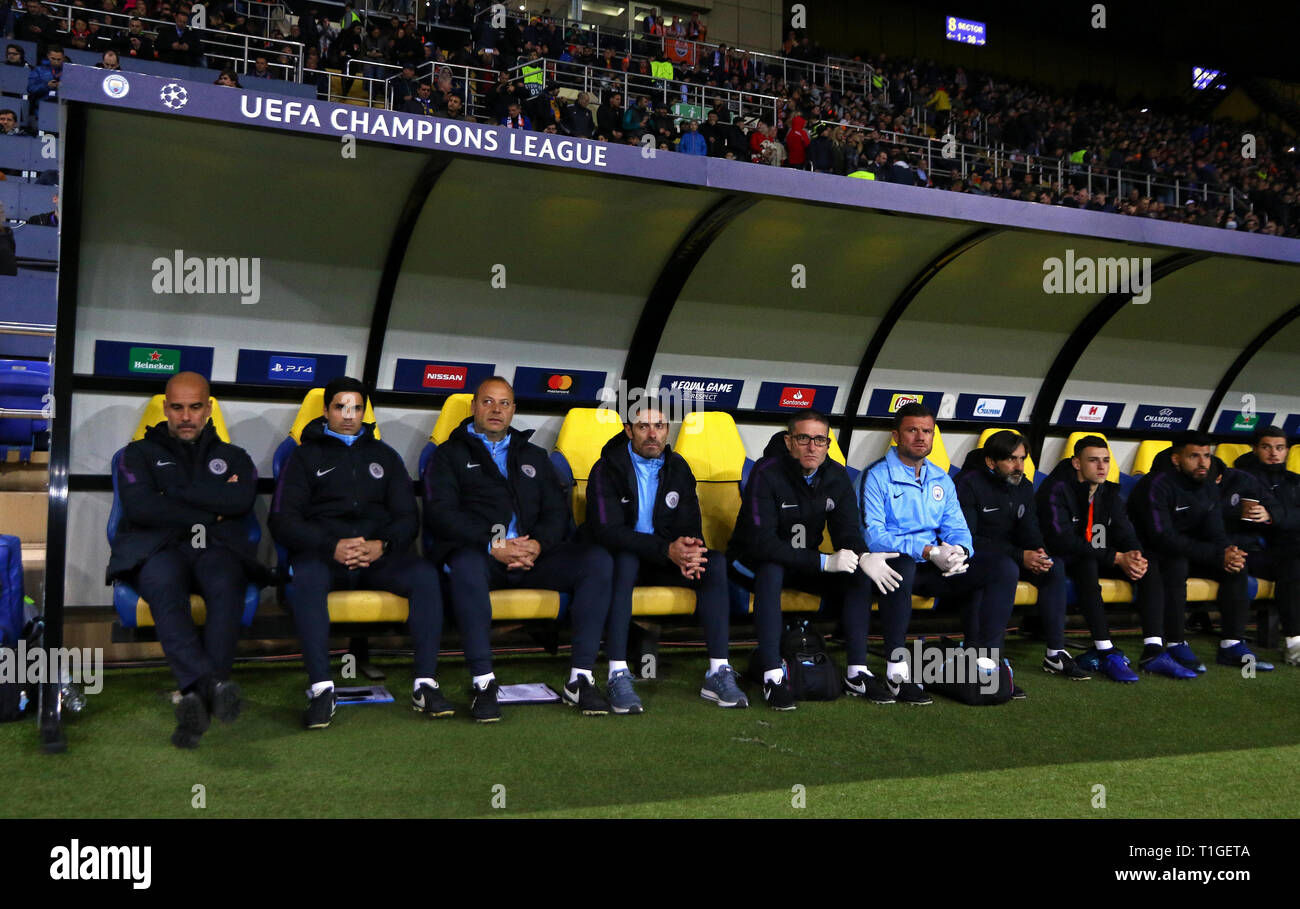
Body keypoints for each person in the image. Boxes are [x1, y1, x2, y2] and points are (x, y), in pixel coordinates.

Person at [424, 377, 614, 718]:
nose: (496, 410)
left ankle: (580, 679)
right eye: (488, 402)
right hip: (482, 554)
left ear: (514, 410)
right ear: (474, 407)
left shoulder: (534, 456)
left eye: (504, 403)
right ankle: (483, 682)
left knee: (597, 560)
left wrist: (538, 545)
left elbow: (557, 512)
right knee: (464, 566)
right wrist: (493, 543)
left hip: (532, 556)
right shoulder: (448, 455)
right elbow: (442, 514)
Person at [269, 377, 448, 729]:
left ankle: (424, 684)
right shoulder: (304, 456)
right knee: (305, 577)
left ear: (365, 412)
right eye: (340, 407)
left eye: (356, 408)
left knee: (425, 575)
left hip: (377, 556)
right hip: (324, 556)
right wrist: (330, 545)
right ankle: (322, 688)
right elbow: (283, 520)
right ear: (326, 411)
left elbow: (407, 518)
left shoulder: (385, 456)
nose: (348, 415)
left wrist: (381, 544)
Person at [106, 373, 260, 748]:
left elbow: (240, 501)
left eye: (194, 407)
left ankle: (196, 696)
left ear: (208, 409)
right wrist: (209, 507)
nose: (186, 416)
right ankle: (211, 685)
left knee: (227, 583)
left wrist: (171, 494)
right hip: (158, 548)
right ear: (166, 408)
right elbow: (141, 507)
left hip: (214, 547)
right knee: (164, 584)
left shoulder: (234, 457)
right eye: (177, 407)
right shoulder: (136, 454)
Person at [728, 410, 900, 710]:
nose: (812, 447)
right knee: (772, 569)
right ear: (789, 441)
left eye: (820, 440)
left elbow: (846, 531)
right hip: (749, 562)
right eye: (804, 438)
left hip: (804, 564)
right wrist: (823, 562)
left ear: (827, 444)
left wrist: (863, 556)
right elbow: (763, 544)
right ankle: (772, 675)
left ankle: (857, 672)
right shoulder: (766, 472)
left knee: (859, 574)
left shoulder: (835, 475)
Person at [584, 406, 747, 712]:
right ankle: (617, 672)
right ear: (629, 431)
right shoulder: (607, 468)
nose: (652, 433)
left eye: (659, 426)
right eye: (643, 426)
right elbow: (607, 532)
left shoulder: (678, 468)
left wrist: (688, 549)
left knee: (713, 562)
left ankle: (718, 670)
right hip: (623, 558)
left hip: (664, 559)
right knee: (625, 561)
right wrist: (666, 550)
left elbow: (689, 522)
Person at [860, 403, 1020, 702]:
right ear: (896, 435)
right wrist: (928, 550)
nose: (921, 437)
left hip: (936, 568)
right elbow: (874, 536)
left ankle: (985, 664)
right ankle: (896, 672)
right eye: (912, 430)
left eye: (927, 431)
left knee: (1002, 567)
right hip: (894, 566)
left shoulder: (940, 478)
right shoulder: (876, 475)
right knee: (903, 565)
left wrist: (958, 550)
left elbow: (957, 526)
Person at [1036, 435, 1187, 680]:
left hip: (1100, 556)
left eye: (1106, 460)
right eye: (1093, 460)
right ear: (1077, 463)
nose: (1102, 466)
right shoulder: (1055, 489)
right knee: (1087, 564)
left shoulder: (1108, 493)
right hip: (1064, 558)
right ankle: (1106, 650)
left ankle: (1153, 649)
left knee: (1148, 565)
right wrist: (1116, 558)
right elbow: (1061, 540)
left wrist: (1134, 554)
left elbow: (1124, 530)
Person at [1128, 430, 1273, 674]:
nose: (1203, 462)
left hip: (1193, 552)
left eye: (1206, 455)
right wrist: (1216, 554)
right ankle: (1175, 642)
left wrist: (1228, 551)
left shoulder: (1207, 486)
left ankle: (1232, 644)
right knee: (1177, 563)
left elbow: (1215, 531)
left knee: (1236, 566)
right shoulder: (1156, 485)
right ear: (1177, 459)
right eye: (1194, 456)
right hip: (1154, 553)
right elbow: (1162, 537)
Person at [957, 431, 1089, 680]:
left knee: (1054, 566)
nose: (1019, 466)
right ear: (991, 461)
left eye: (1022, 459)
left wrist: (1037, 551)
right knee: (1003, 568)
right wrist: (1020, 556)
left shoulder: (1024, 486)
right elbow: (968, 538)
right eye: (1011, 459)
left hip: (1013, 555)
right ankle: (984, 657)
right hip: (978, 556)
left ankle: (1055, 653)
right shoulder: (968, 483)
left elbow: (1030, 527)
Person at [1227, 425, 1300, 666]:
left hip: (1287, 550)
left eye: (1279, 448)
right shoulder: (1238, 478)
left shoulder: (1294, 481)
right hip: (1253, 552)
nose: (1273, 453)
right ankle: (1294, 642)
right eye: (1267, 447)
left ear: (1287, 450)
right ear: (1255, 448)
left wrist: (1274, 516)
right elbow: (1222, 511)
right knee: (1293, 563)